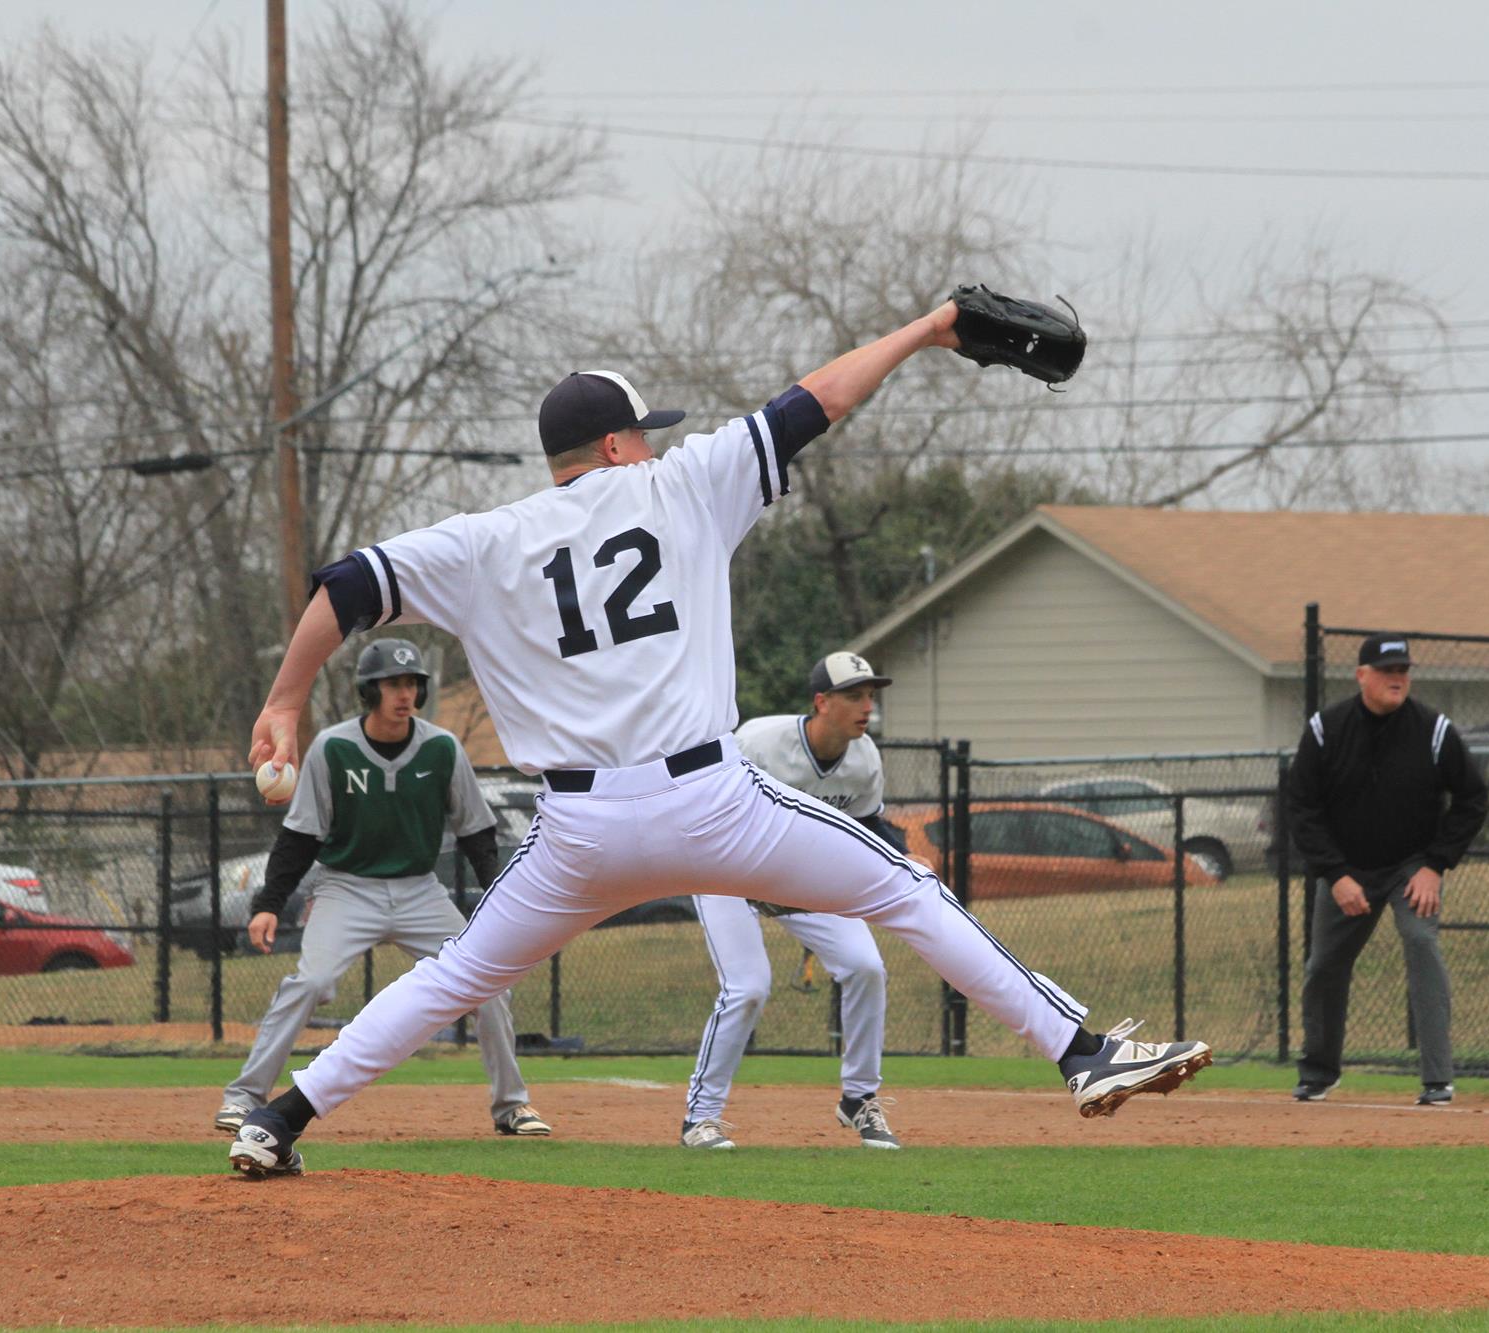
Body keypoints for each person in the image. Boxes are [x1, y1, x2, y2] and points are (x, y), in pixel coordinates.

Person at [227, 297, 1211, 1180]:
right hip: (709, 803)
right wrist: (929, 329)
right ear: (615, 445)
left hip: (578, 830)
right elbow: (816, 400)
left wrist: (285, 697)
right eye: (642, 432)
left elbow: (343, 588)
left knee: (457, 975)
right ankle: (1079, 1052)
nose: (653, 444)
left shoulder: (485, 541)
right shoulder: (683, 484)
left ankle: (279, 1116)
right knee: (905, 890)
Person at [213, 638, 551, 1150]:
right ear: (370, 691)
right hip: (346, 887)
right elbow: (300, 837)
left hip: (420, 891)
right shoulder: (333, 748)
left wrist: (504, 901)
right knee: (310, 982)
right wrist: (267, 906)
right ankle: (243, 1096)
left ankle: (512, 1106)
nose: (405, 693)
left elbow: (477, 835)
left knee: (488, 987)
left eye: (412, 683)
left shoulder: (441, 748)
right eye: (393, 684)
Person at [683, 651, 906, 1150]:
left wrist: (905, 857)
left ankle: (859, 1099)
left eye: (870, 695)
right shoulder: (759, 742)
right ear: (821, 702)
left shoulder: (864, 758)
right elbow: (706, 798)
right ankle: (701, 1118)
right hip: (725, 872)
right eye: (854, 695)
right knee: (748, 987)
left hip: (799, 880)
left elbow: (868, 826)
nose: (867, 706)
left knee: (866, 967)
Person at [1286, 633, 1489, 1107]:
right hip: (1347, 868)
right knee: (1324, 966)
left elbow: (1472, 798)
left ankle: (1437, 1079)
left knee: (1421, 942)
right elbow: (1301, 806)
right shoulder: (1326, 729)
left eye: (1403, 671)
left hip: (1411, 867)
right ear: (1362, 676)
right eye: (1387, 671)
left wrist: (1435, 865)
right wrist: (1335, 874)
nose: (1397, 678)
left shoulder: (1434, 730)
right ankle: (1318, 1072)